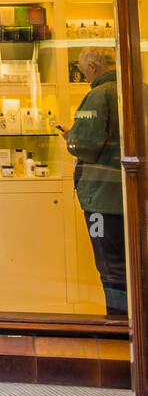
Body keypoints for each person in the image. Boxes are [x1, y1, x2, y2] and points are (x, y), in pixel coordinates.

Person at [57, 47, 127, 314]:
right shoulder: (138, 88)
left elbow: (84, 145)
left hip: (103, 200)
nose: (83, 73)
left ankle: (120, 324)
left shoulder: (97, 95)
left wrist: (71, 136)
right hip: (132, 194)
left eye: (82, 68)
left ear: (92, 65)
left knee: (111, 267)